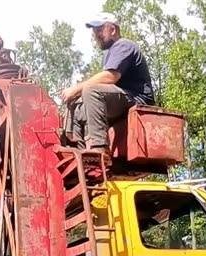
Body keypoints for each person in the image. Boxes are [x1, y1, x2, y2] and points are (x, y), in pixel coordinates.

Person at [60, 12, 155, 154]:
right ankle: (79, 151)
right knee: (77, 106)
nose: (96, 35)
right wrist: (76, 96)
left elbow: (110, 77)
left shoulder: (123, 45)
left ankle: (99, 148)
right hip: (121, 100)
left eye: (99, 30)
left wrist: (76, 89)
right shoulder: (108, 54)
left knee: (91, 91)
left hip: (138, 100)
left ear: (113, 29)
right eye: (94, 31)